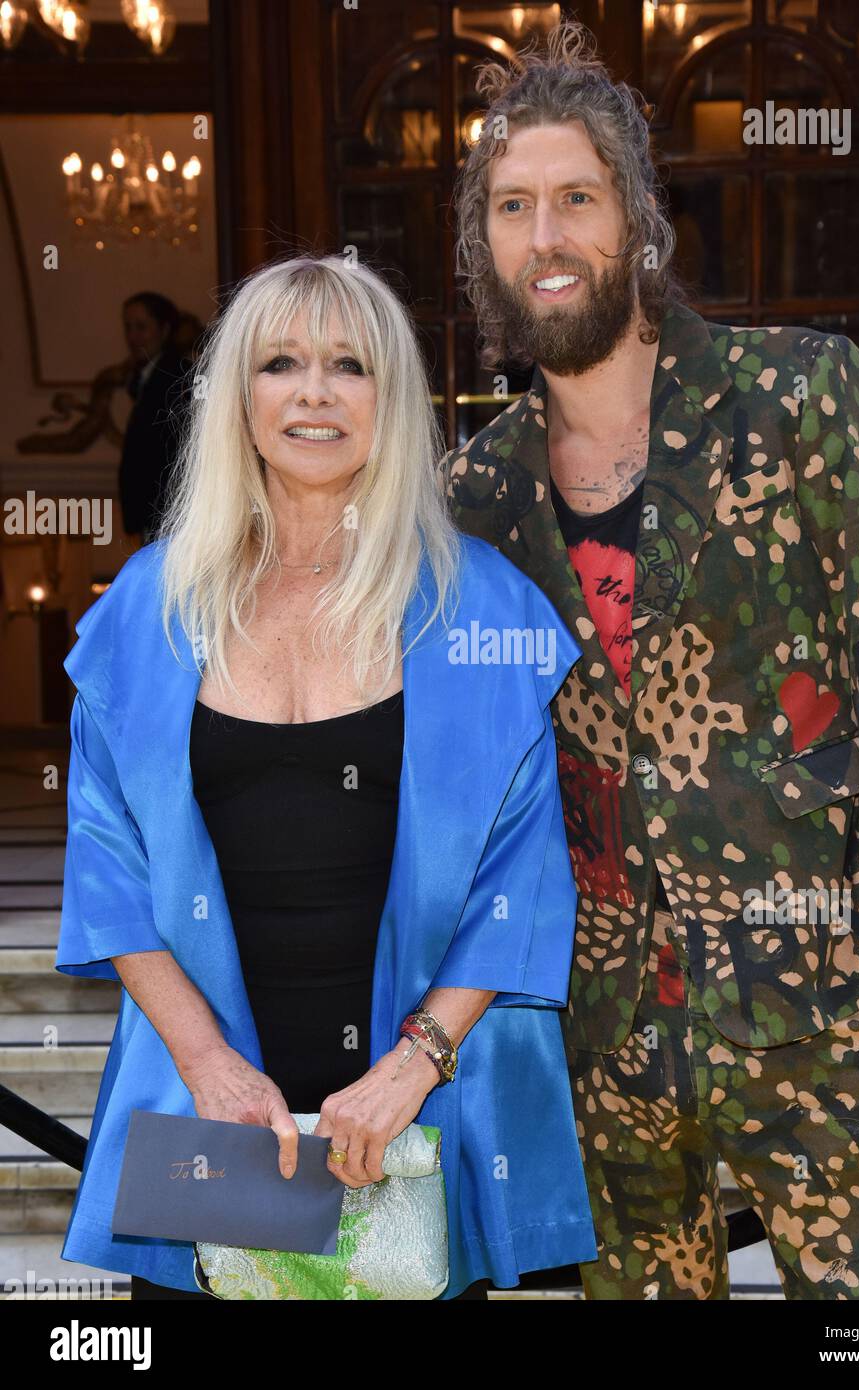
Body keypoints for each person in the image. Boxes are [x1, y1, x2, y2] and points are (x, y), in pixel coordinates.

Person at [442, 19, 859, 1299]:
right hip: (602, 1037)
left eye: (577, 197)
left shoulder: (799, 399)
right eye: (513, 207)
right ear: (485, 248)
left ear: (635, 219)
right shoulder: (470, 496)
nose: (547, 235)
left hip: (814, 1001)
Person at [55, 252, 598, 1300]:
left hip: (418, 1110)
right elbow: (108, 864)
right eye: (280, 364)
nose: (313, 391)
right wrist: (211, 1067)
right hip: (209, 1106)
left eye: (349, 364)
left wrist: (406, 1071)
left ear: (389, 400)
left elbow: (521, 877)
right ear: (234, 397)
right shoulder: (145, 609)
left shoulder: (479, 610)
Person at [118, 291, 191, 541]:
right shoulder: (149, 376)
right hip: (157, 516)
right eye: (128, 327)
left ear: (164, 329)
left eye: (141, 327)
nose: (132, 337)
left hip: (169, 516)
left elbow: (175, 451)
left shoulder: (176, 377)